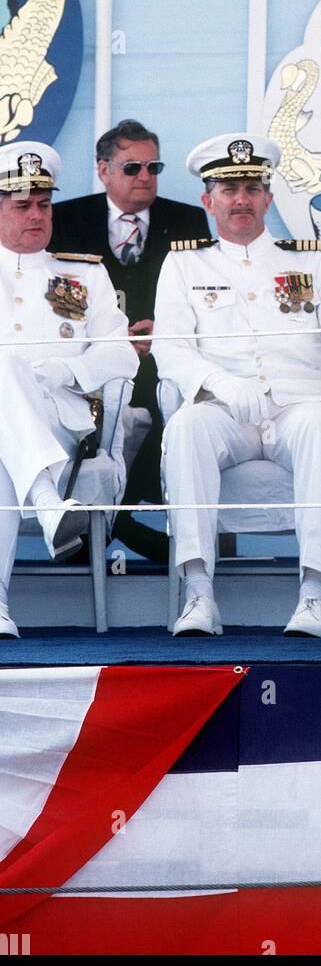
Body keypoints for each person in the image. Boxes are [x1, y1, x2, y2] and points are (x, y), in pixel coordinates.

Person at [153, 133, 321, 638]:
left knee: (320, 426)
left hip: (297, 404)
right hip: (226, 412)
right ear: (208, 200)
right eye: (228, 188)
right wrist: (216, 380)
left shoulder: (311, 260)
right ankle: (199, 594)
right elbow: (169, 348)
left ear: (267, 197)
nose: (240, 198)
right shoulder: (184, 263)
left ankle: (314, 596)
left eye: (251, 186)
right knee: (186, 427)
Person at [50, 121, 211, 563]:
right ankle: (112, 524)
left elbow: (203, 302)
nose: (145, 176)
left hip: (161, 362)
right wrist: (109, 343)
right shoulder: (65, 220)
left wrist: (167, 332)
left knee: (174, 403)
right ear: (103, 170)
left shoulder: (188, 221)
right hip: (92, 366)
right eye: (133, 167)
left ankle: (114, 521)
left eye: (153, 166)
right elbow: (55, 304)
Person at [0, 142, 138, 637]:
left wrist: (64, 370)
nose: (36, 214)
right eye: (22, 205)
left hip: (66, 428)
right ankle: (46, 501)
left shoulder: (83, 274)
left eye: (43, 203)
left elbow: (122, 356)